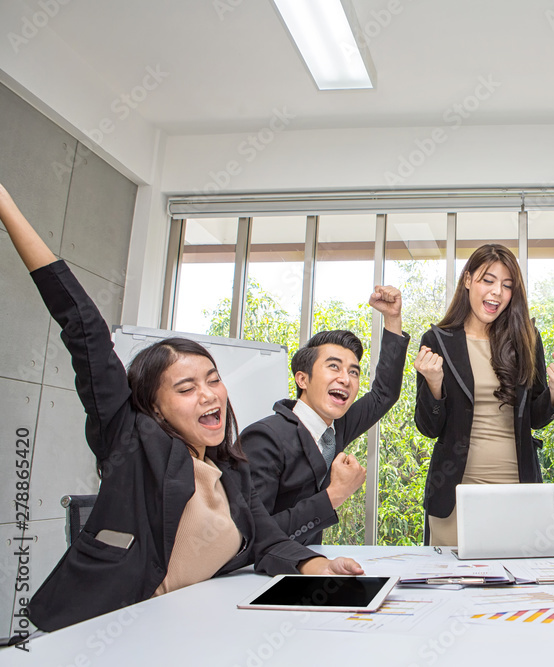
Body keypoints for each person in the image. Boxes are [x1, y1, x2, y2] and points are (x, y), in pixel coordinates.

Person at [0, 183, 363, 633]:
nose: (210, 395)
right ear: (154, 405)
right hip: (97, 633)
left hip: (184, 630)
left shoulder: (230, 470)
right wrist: (6, 205)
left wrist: (313, 567)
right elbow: (85, 330)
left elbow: (265, 538)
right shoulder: (135, 444)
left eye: (213, 380)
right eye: (187, 388)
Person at [414, 244, 554, 546]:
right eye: (488, 280)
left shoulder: (526, 338)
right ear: (468, 280)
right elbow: (429, 427)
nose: (497, 292)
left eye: (507, 285)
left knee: (515, 586)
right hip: (455, 492)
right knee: (452, 587)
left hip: (517, 488)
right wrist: (434, 384)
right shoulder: (437, 340)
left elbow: (536, 420)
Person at [242, 306, 409, 545]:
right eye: (334, 366)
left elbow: (384, 394)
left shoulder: (335, 428)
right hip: (263, 576)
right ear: (303, 379)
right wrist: (336, 494)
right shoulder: (265, 438)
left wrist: (392, 319)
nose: (345, 378)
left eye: (353, 371)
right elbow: (254, 536)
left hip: (308, 566)